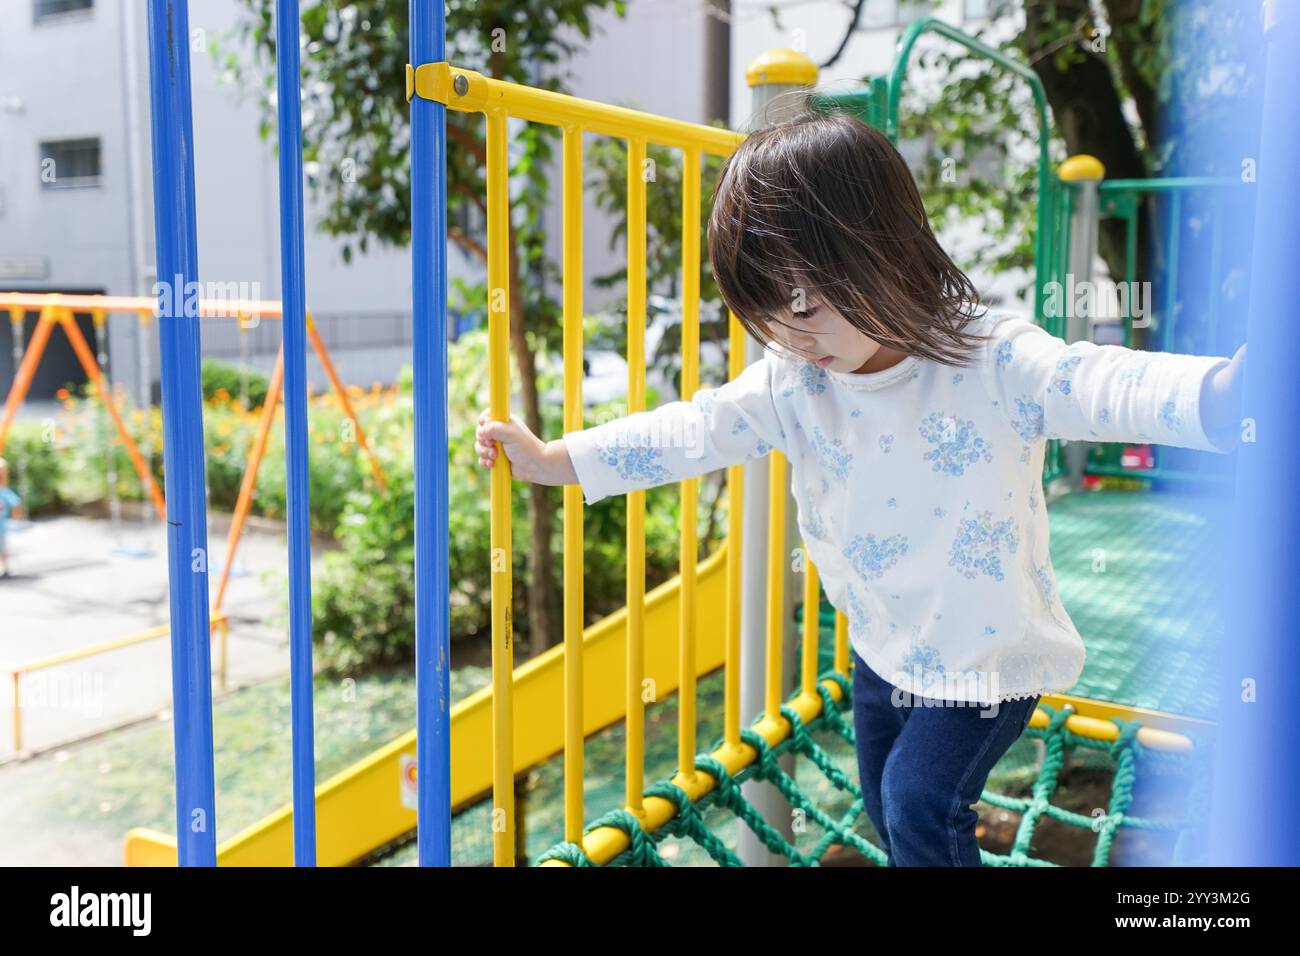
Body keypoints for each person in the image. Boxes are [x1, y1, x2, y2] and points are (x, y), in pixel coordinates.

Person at [473, 111, 1246, 866]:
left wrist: (1224, 392)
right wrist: (559, 459)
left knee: (918, 803)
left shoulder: (992, 361)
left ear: (885, 253)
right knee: (883, 805)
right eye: (769, 316)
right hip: (881, 646)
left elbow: (1106, 382)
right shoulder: (795, 379)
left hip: (983, 661)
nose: (794, 335)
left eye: (806, 305)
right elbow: (695, 430)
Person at [0, 457, 23, 579]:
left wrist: (16, 517)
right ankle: (5, 567)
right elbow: (16, 505)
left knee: (2, 548)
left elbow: (16, 505)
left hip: (1, 528)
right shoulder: (4, 491)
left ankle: (5, 568)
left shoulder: (4, 492)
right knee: (2, 548)